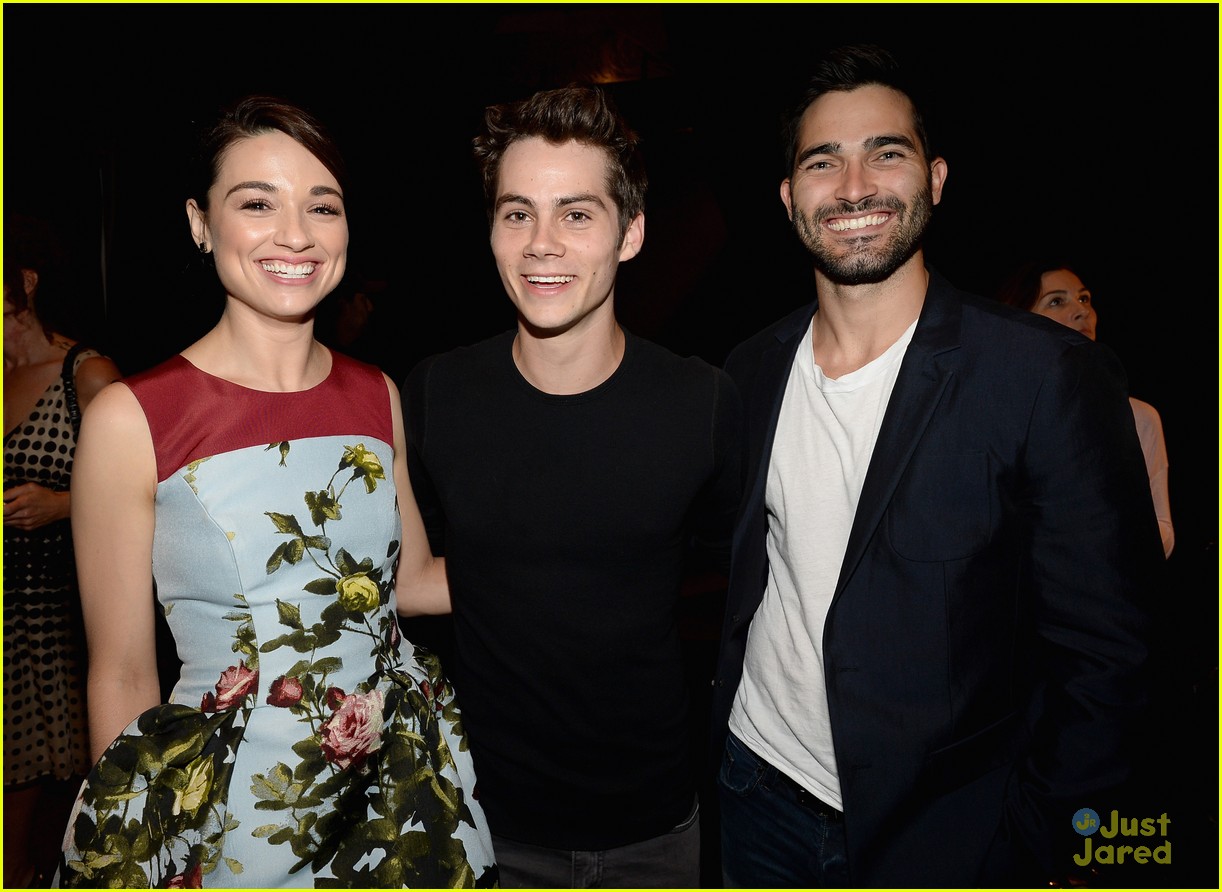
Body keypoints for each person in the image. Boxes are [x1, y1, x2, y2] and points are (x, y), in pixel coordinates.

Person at [712, 44, 1162, 887]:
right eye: (822, 162)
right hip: (756, 791)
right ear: (787, 196)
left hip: (952, 830)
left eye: (887, 152)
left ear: (937, 178)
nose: (853, 188)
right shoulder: (749, 370)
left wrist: (1048, 842)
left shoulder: (1044, 375)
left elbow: (1108, 655)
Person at [56, 95, 496, 888]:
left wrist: (570, 537)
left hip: (393, 789)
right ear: (199, 222)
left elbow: (414, 585)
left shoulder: (376, 393)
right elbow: (121, 670)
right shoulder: (132, 417)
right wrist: (141, 852)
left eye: (321, 206)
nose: (296, 234)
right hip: (235, 808)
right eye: (257, 203)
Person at [402, 84, 743, 888]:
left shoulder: (702, 403)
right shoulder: (434, 395)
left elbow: (732, 578)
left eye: (577, 214)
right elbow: (400, 578)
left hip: (656, 829)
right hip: (483, 827)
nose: (541, 244)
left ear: (631, 234)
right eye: (517, 213)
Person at [4, 222, 123, 889]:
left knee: (33, 833)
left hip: (49, 622)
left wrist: (62, 502)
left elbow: (148, 481)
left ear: (25, 283)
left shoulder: (86, 371)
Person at [996, 259, 1174, 558]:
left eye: (1083, 298)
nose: (1081, 310)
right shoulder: (998, 413)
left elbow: (1163, 530)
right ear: (1021, 319)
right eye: (1056, 301)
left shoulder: (1138, 416)